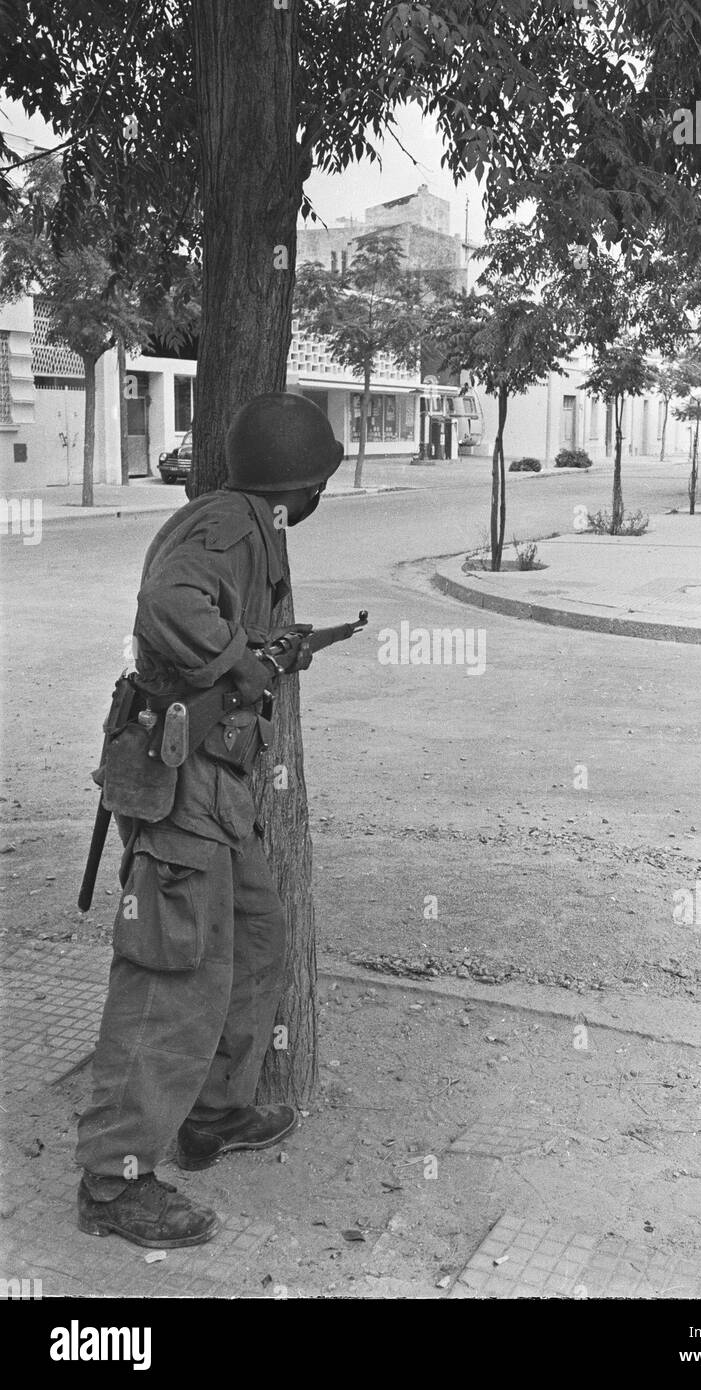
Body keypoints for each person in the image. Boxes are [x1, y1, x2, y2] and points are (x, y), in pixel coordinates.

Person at [75, 392, 344, 1249]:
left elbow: (218, 623)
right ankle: (114, 1183)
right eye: (318, 481)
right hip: (179, 784)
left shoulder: (245, 523)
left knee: (258, 935)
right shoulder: (228, 526)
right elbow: (168, 602)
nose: (317, 498)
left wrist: (275, 647)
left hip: (215, 788)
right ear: (297, 483)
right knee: (170, 973)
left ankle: (209, 1116)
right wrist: (241, 661)